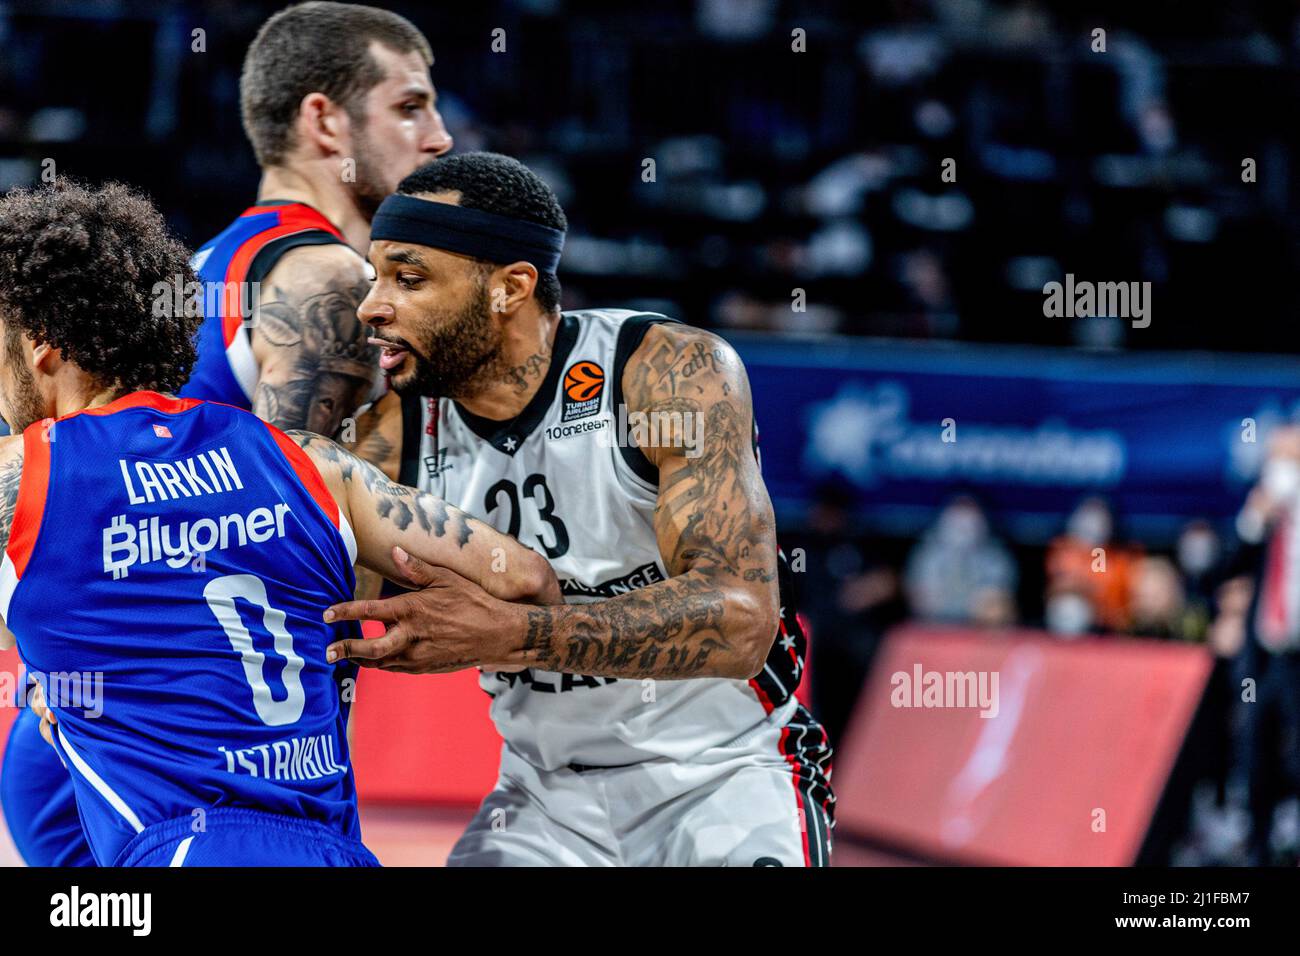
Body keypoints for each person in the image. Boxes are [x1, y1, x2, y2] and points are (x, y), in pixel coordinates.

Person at [1, 0, 453, 867]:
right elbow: (296, 552)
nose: (436, 137)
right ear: (323, 119)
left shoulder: (197, 264)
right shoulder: (330, 280)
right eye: (409, 106)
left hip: (85, 726)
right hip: (193, 753)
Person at [0, 181, 556, 866]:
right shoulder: (311, 461)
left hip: (187, 851)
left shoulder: (23, 474)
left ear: (39, 344)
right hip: (336, 851)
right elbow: (527, 579)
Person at [325, 152, 835, 866]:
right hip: (544, 800)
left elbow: (742, 621)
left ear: (510, 286)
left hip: (725, 775)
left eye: (409, 279)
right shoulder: (389, 438)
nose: (373, 305)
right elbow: (317, 618)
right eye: (376, 277)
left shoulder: (663, 371)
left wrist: (515, 633)